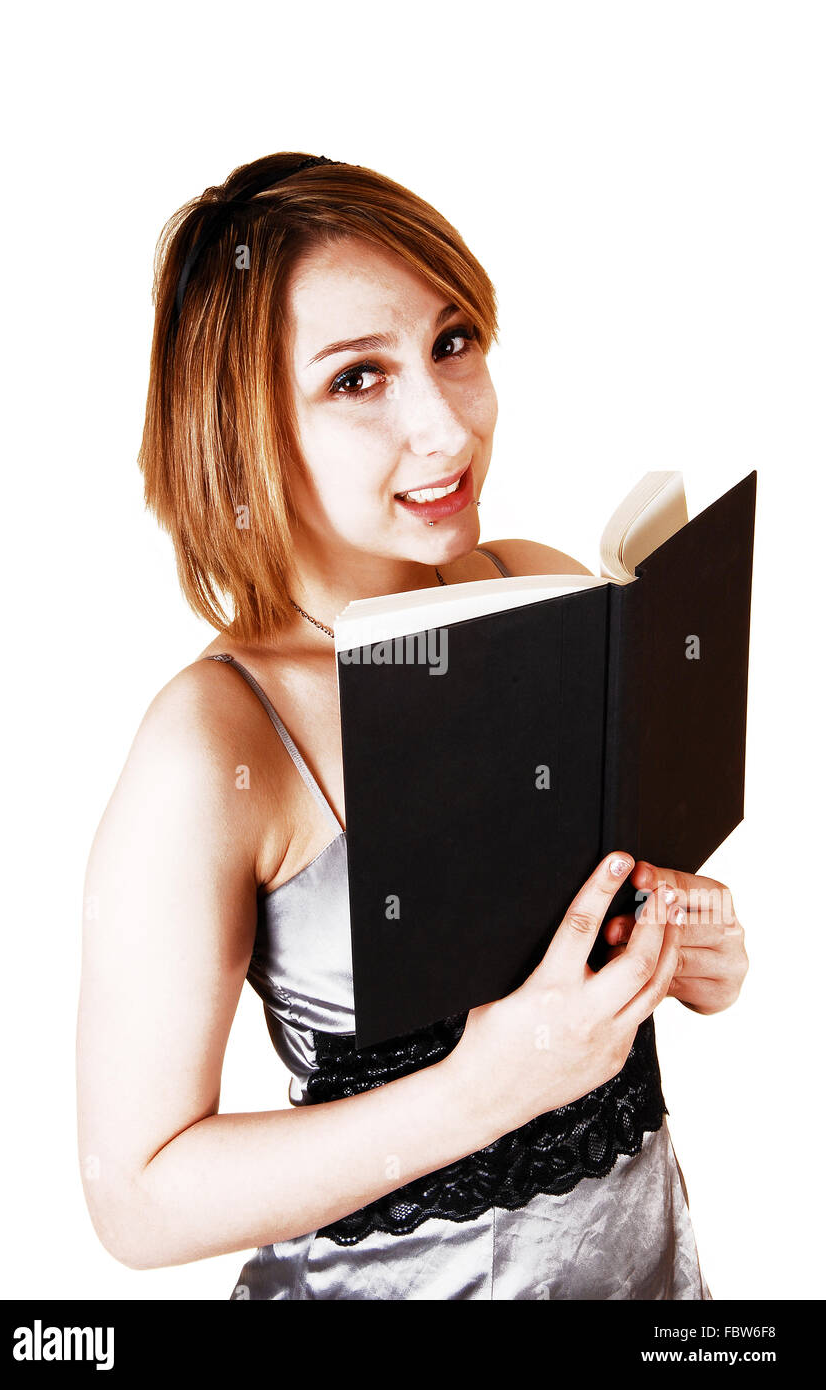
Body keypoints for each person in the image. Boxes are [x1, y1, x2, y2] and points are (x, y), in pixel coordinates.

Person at [76, 153, 749, 1300]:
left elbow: (617, 948)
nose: (443, 427)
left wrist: (693, 954)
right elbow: (136, 1196)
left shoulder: (534, 585)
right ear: (241, 427)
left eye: (450, 343)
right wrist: (486, 1089)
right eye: (355, 380)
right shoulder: (215, 738)